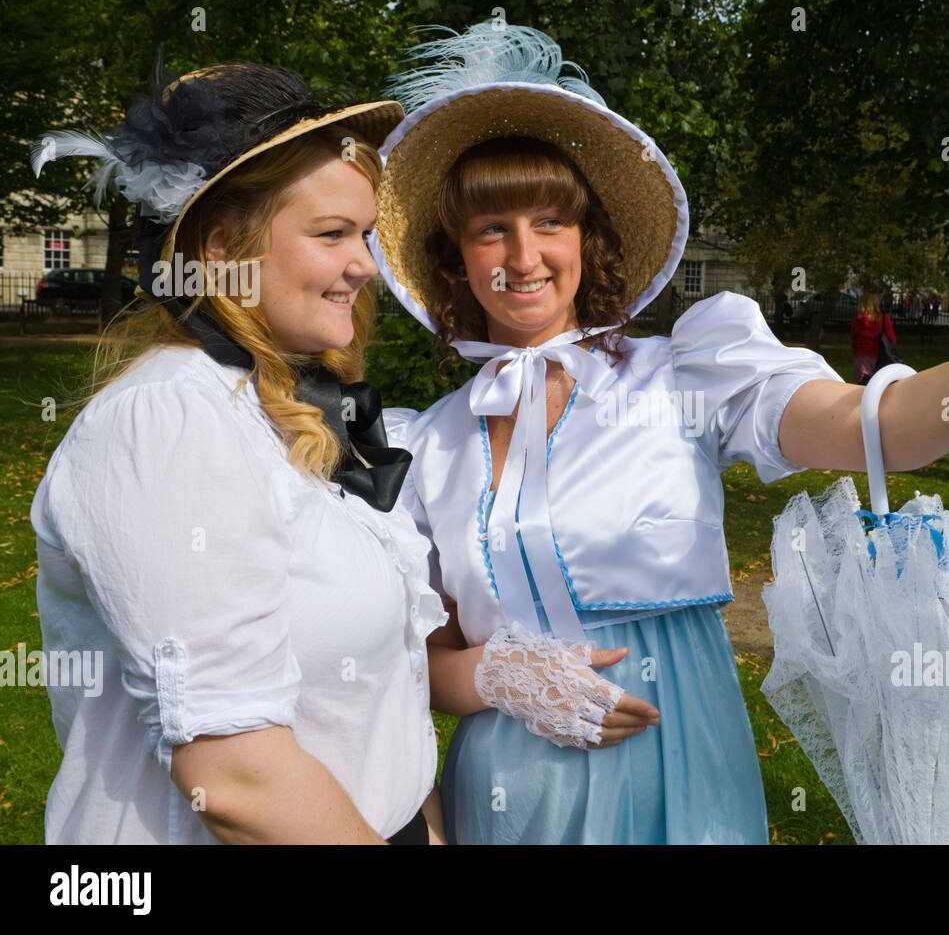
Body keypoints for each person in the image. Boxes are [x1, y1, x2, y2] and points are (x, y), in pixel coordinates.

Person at [373, 23, 949, 844]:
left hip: (682, 777)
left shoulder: (684, 372)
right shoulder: (423, 447)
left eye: (550, 221)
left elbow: (889, 430)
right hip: (509, 797)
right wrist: (499, 676)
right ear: (457, 256)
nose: (523, 255)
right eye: (491, 229)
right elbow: (417, 666)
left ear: (587, 237)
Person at [30, 63, 643, 844]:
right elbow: (238, 780)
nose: (365, 264)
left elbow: (374, 698)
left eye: (364, 234)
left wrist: (421, 820)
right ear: (222, 248)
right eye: (331, 235)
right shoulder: (169, 421)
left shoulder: (287, 407)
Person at [850, 292, 897, 383]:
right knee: (880, 386)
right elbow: (892, 339)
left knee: (861, 386)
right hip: (881, 357)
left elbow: (854, 340)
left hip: (862, 358)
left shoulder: (857, 320)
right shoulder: (884, 320)